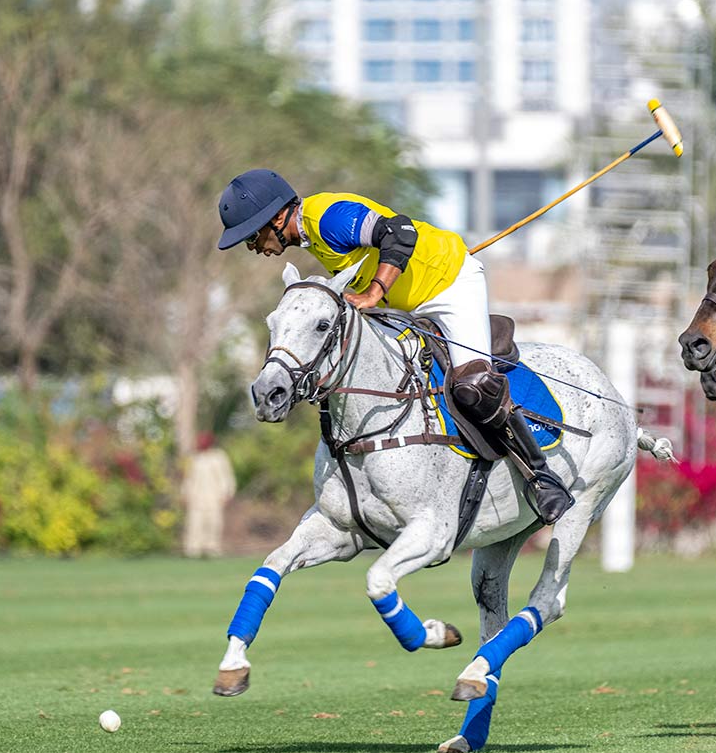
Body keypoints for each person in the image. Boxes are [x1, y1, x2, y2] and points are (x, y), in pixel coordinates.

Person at [214, 169, 574, 523]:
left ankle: (541, 478)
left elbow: (399, 231)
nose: (253, 246)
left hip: (449, 287)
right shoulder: (310, 237)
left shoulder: (328, 218)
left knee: (473, 386)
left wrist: (374, 291)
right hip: (402, 303)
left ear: (277, 217)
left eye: (252, 235)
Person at [184, 432, 236, 558]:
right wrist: (185, 493)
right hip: (197, 497)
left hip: (214, 497)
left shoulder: (218, 457)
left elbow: (226, 477)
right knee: (195, 523)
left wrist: (227, 493)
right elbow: (189, 479)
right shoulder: (195, 458)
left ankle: (212, 549)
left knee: (214, 523)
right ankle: (193, 550)